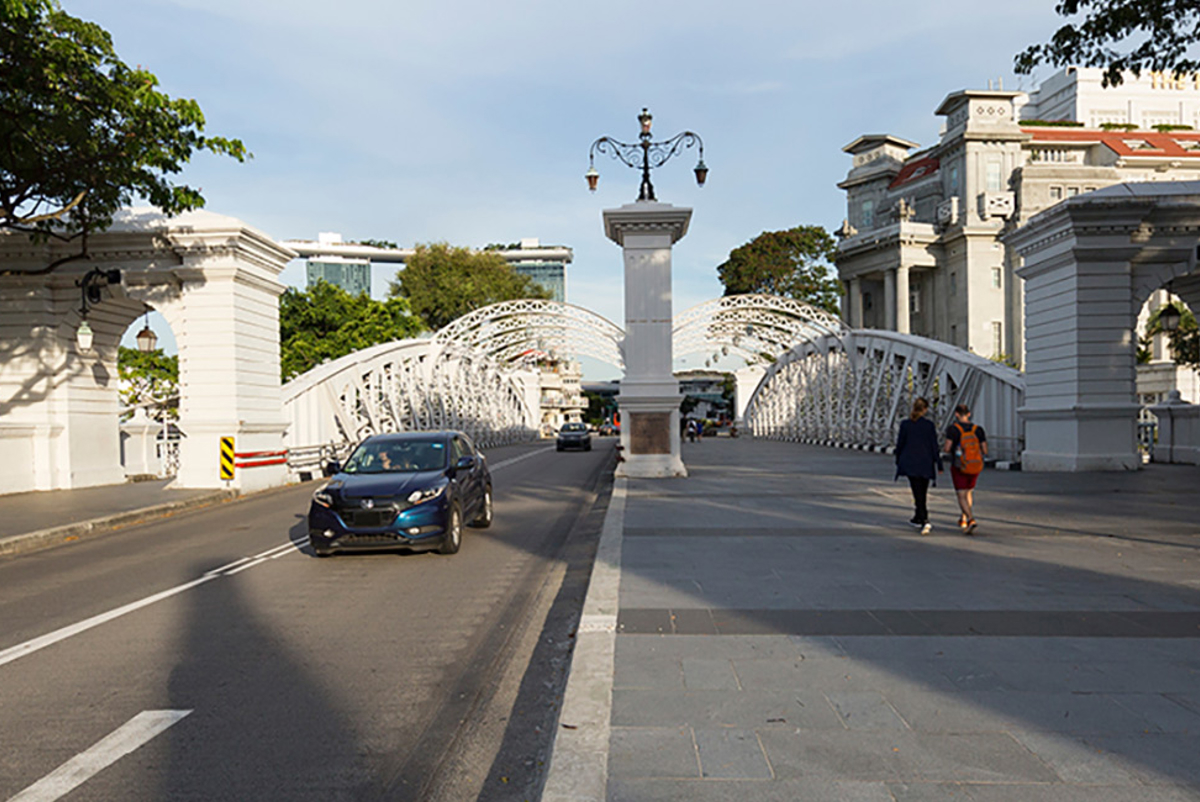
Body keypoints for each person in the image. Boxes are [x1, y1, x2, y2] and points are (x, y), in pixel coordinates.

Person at [894, 397, 942, 535]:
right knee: (922, 491)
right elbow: (934, 446)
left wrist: (898, 460)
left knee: (916, 491)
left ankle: (924, 518)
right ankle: (919, 516)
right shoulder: (929, 425)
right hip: (926, 462)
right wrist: (938, 464)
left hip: (910, 462)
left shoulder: (905, 424)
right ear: (925, 409)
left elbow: (900, 444)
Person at [944, 403, 988, 534]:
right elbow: (985, 450)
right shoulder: (978, 429)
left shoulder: (953, 429)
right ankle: (963, 517)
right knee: (969, 492)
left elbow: (947, 448)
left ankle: (970, 519)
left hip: (959, 465)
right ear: (969, 414)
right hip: (975, 465)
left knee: (961, 494)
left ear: (956, 414)